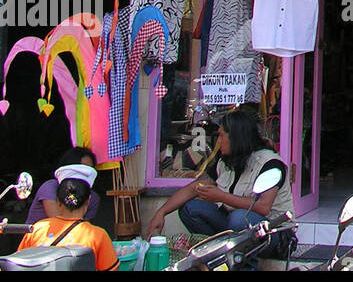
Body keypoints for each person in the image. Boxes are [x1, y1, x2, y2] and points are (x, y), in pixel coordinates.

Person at [147, 110, 293, 266]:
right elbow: (194, 188)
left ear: (236, 138)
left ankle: (244, 267)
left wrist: (220, 196)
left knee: (238, 219)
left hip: (273, 234)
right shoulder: (226, 161)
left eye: (222, 136)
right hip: (236, 229)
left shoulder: (270, 163)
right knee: (191, 209)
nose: (218, 141)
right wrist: (161, 213)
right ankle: (216, 257)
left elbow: (263, 207)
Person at [18, 164, 118, 270]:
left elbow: (19, 264)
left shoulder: (36, 229)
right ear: (88, 201)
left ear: (58, 199)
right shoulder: (98, 236)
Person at [25, 146, 101, 227]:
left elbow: (83, 229)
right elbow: (60, 224)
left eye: (90, 168)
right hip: (40, 237)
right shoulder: (50, 187)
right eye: (82, 168)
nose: (87, 172)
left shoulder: (93, 197)